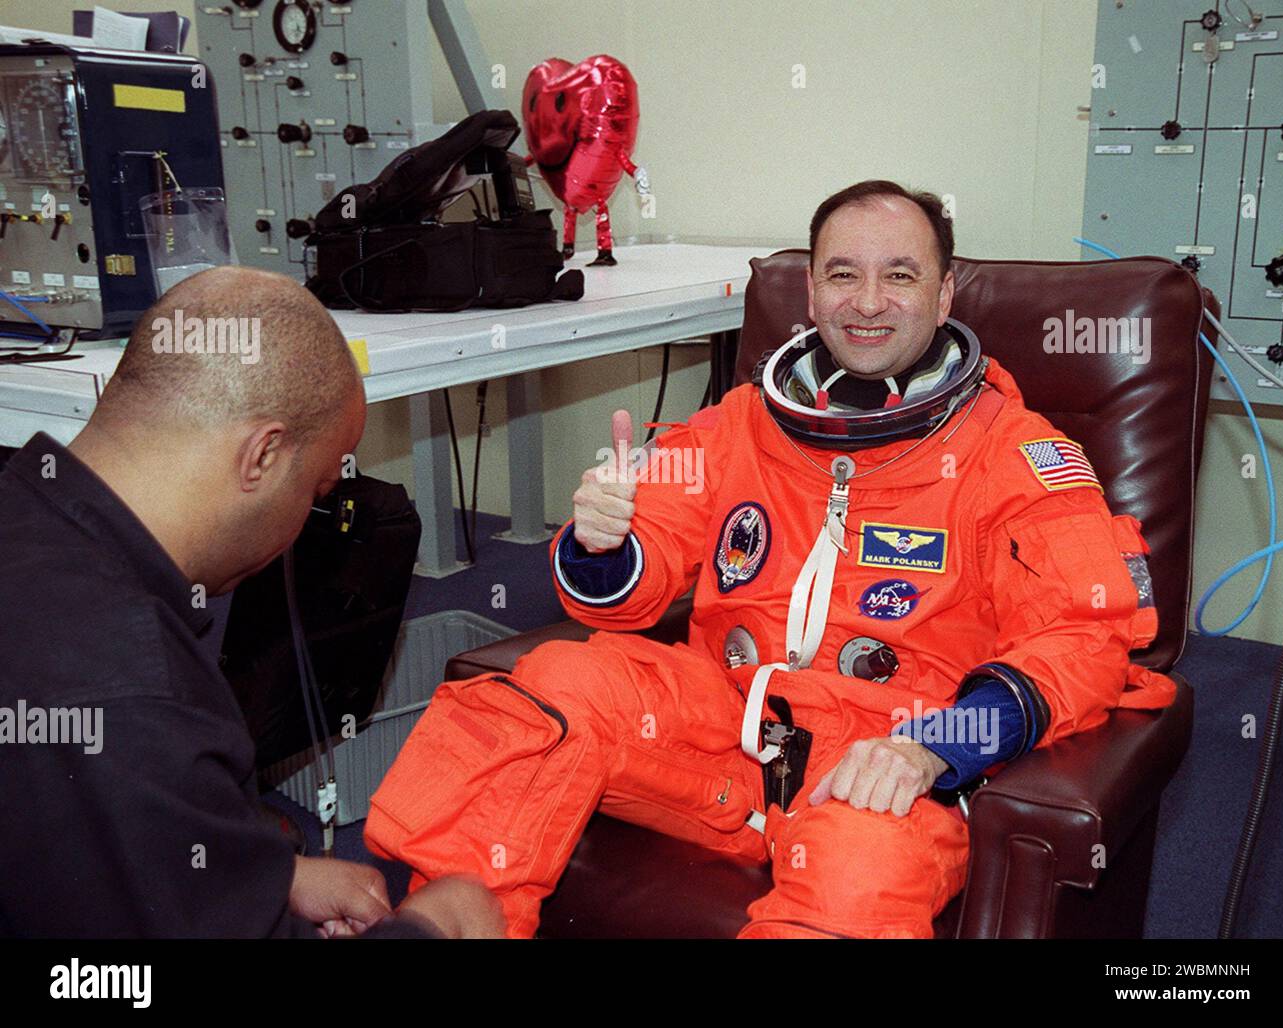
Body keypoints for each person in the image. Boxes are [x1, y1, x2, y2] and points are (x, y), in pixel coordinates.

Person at [364, 180, 1176, 938]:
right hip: (723, 723)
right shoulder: (738, 425)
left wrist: (938, 745)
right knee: (544, 692)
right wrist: (602, 542)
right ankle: (445, 922)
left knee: (859, 869)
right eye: (842, 274)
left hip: (886, 757)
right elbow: (637, 578)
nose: (867, 302)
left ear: (943, 295)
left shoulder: (1018, 455)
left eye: (899, 275)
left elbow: (1082, 638)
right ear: (812, 293)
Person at [0, 266, 503, 939]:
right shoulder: (131, 694)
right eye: (317, 490)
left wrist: (260, 876)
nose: (304, 522)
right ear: (262, 455)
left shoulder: (28, 515)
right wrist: (436, 927)